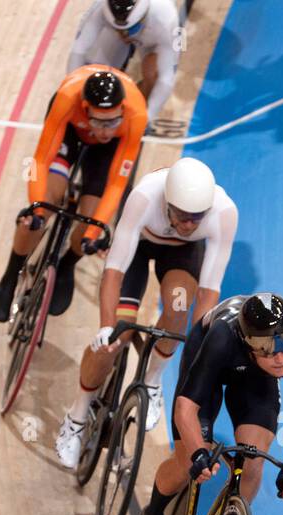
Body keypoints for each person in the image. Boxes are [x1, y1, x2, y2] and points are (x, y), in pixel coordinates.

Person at [55, 157, 237, 465]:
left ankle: (153, 381)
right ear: (168, 201)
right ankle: (76, 417)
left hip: (182, 255)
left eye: (197, 218)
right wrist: (106, 326)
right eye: (183, 215)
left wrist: (199, 349)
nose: (189, 223)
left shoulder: (224, 212)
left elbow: (208, 293)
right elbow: (113, 270)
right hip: (137, 247)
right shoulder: (145, 196)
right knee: (116, 336)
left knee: (178, 309)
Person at [126, 293, 283, 515]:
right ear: (249, 343)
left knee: (253, 461)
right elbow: (185, 409)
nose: (280, 357)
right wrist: (197, 452)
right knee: (186, 463)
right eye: (268, 348)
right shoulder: (223, 336)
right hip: (211, 360)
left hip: (257, 380)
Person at [0, 66, 147, 323]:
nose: (104, 130)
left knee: (90, 223)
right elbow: (40, 160)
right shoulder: (68, 97)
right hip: (71, 131)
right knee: (42, 206)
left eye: (112, 121)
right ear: (85, 107)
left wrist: (93, 234)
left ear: (123, 110)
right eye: (98, 121)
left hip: (108, 151)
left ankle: (67, 266)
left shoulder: (136, 114)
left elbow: (117, 185)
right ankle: (10, 275)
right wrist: (37, 211)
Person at [68, 0, 181, 125]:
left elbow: (166, 79)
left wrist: (147, 118)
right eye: (121, 29)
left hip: (154, 39)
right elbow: (78, 51)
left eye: (131, 29)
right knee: (94, 72)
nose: (125, 34)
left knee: (154, 74)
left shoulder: (167, 18)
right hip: (114, 31)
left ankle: (131, 111)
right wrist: (76, 92)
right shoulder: (101, 8)